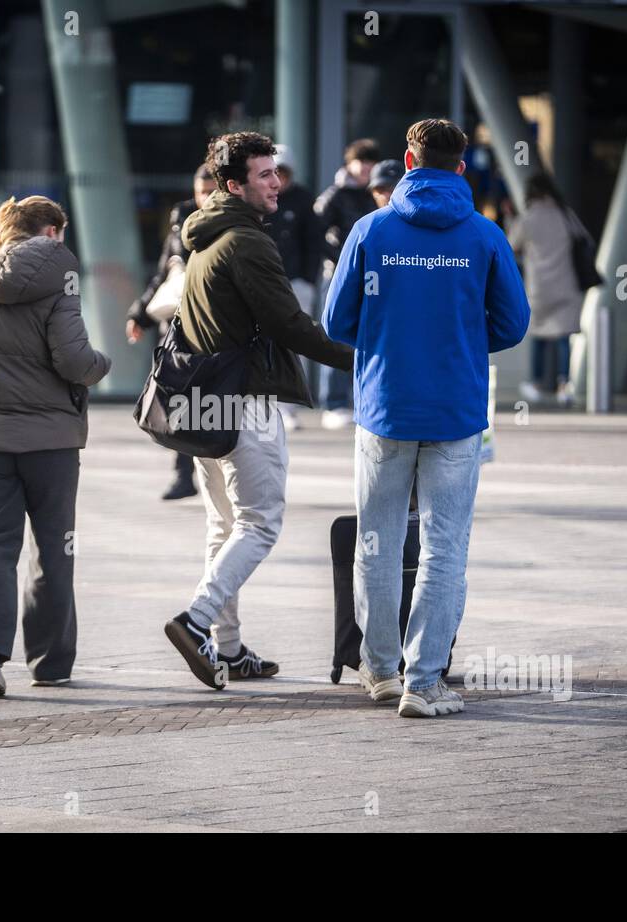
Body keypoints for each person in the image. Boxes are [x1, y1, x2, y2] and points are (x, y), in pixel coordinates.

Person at [324, 118, 529, 717]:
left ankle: (381, 671)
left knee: (377, 542)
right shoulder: (485, 236)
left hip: (384, 408)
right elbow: (512, 325)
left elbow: (338, 323)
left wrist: (390, 338)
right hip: (455, 412)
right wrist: (460, 340)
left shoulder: (371, 229)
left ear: (408, 162)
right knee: (445, 548)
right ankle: (425, 680)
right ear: (461, 168)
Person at [164, 132, 353, 689]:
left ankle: (227, 648)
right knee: (260, 525)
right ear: (233, 184)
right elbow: (287, 324)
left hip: (206, 402)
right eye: (264, 174)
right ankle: (195, 621)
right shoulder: (246, 242)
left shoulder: (205, 236)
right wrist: (361, 359)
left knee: (224, 526)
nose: (277, 182)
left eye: (276, 172)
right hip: (245, 402)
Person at [0, 196, 111, 697]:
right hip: (50, 439)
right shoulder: (60, 273)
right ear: (51, 231)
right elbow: (72, 359)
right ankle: (48, 663)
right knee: (53, 548)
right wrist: (101, 365)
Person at [126, 163, 216, 500]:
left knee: (207, 401)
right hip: (177, 324)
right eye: (200, 192)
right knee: (180, 399)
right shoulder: (181, 221)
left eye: (210, 192)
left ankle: (209, 474)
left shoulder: (227, 224)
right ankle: (183, 474)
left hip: (210, 327)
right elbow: (165, 273)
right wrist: (140, 314)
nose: (204, 198)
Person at [314, 138, 380, 429]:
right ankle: (334, 401)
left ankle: (361, 399)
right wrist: (341, 260)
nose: (366, 168)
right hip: (339, 275)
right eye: (361, 162)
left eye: (370, 162)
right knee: (337, 335)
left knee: (369, 336)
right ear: (349, 163)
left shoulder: (377, 193)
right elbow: (314, 231)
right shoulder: (335, 195)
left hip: (374, 274)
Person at [505, 172, 585, 406]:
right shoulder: (564, 213)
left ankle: (536, 384)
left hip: (540, 287)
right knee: (563, 337)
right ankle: (564, 386)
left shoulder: (529, 218)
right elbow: (582, 238)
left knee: (538, 335)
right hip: (566, 284)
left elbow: (511, 245)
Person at [266, 144, 322, 433]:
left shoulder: (302, 200)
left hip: (295, 283)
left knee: (293, 347)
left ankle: (286, 407)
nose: (278, 180)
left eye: (283, 172)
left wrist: (308, 280)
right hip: (262, 284)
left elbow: (315, 241)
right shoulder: (258, 199)